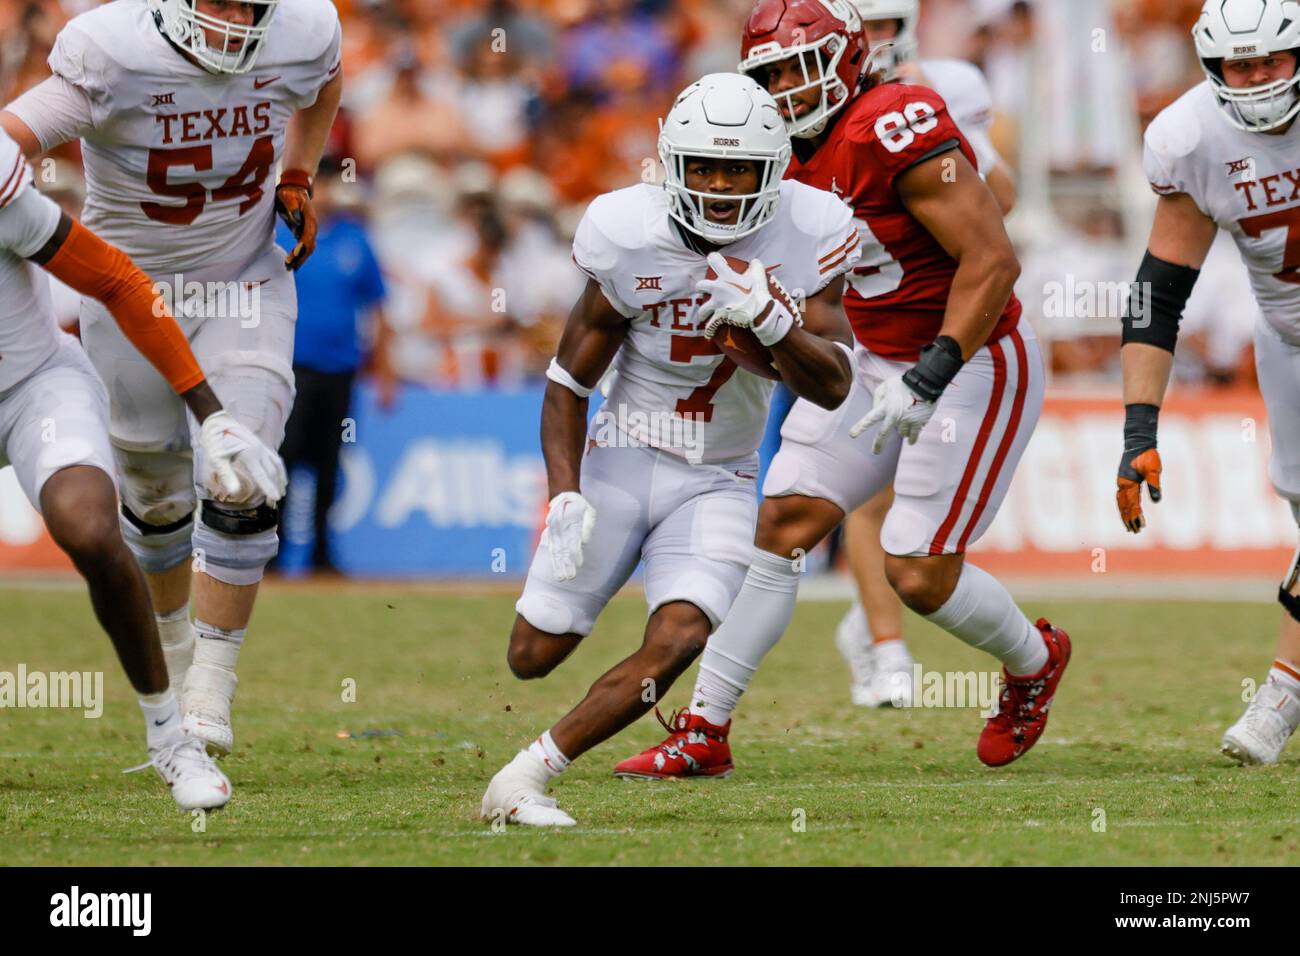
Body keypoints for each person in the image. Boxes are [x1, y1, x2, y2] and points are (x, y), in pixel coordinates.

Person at [614, 0, 1067, 780]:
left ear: (849, 58)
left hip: (978, 354)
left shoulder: (895, 120)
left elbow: (993, 259)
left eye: (800, 67)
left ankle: (1033, 662)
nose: (787, 89)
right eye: (772, 74)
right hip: (877, 358)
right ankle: (704, 729)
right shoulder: (775, 159)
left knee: (917, 571)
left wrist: (933, 371)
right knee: (784, 520)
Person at [480, 73, 861, 826]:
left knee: (682, 635)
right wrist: (564, 489)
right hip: (622, 457)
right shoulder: (626, 232)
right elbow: (566, 380)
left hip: (718, 474)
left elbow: (836, 384)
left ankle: (527, 776)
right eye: (705, 168)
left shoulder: (810, 227)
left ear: (775, 169)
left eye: (740, 170)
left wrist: (778, 327)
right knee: (531, 655)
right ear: (671, 165)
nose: (721, 187)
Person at [1, 0, 343, 758]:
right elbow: (12, 135)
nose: (234, 18)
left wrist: (298, 173)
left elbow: (326, 81)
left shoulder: (303, 27)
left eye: (248, 2)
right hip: (128, 292)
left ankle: (210, 688)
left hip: (242, 281)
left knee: (241, 470)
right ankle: (176, 654)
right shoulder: (110, 50)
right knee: (154, 501)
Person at [0, 125, 285, 809]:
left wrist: (211, 411)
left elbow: (117, 278)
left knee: (90, 528)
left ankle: (170, 740)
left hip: (29, 384)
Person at [1117, 0, 1300, 765]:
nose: (1256, 82)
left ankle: (1280, 698)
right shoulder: (1191, 139)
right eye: (1240, 66)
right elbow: (1158, 295)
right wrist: (1138, 432)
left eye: (1271, 63)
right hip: (1289, 340)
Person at [833, 0, 1020, 707]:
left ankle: (869, 621)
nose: (873, 43)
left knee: (923, 520)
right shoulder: (814, 109)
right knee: (868, 496)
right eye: (863, 30)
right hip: (872, 316)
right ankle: (886, 653)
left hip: (956, 316)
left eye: (883, 28)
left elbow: (1000, 197)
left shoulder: (944, 89)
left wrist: (936, 121)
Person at [273, 156, 390, 574]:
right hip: (291, 369)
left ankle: (323, 552)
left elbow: (377, 306)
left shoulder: (354, 239)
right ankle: (276, 550)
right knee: (284, 457)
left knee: (328, 461)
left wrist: (384, 371)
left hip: (340, 370)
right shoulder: (278, 235)